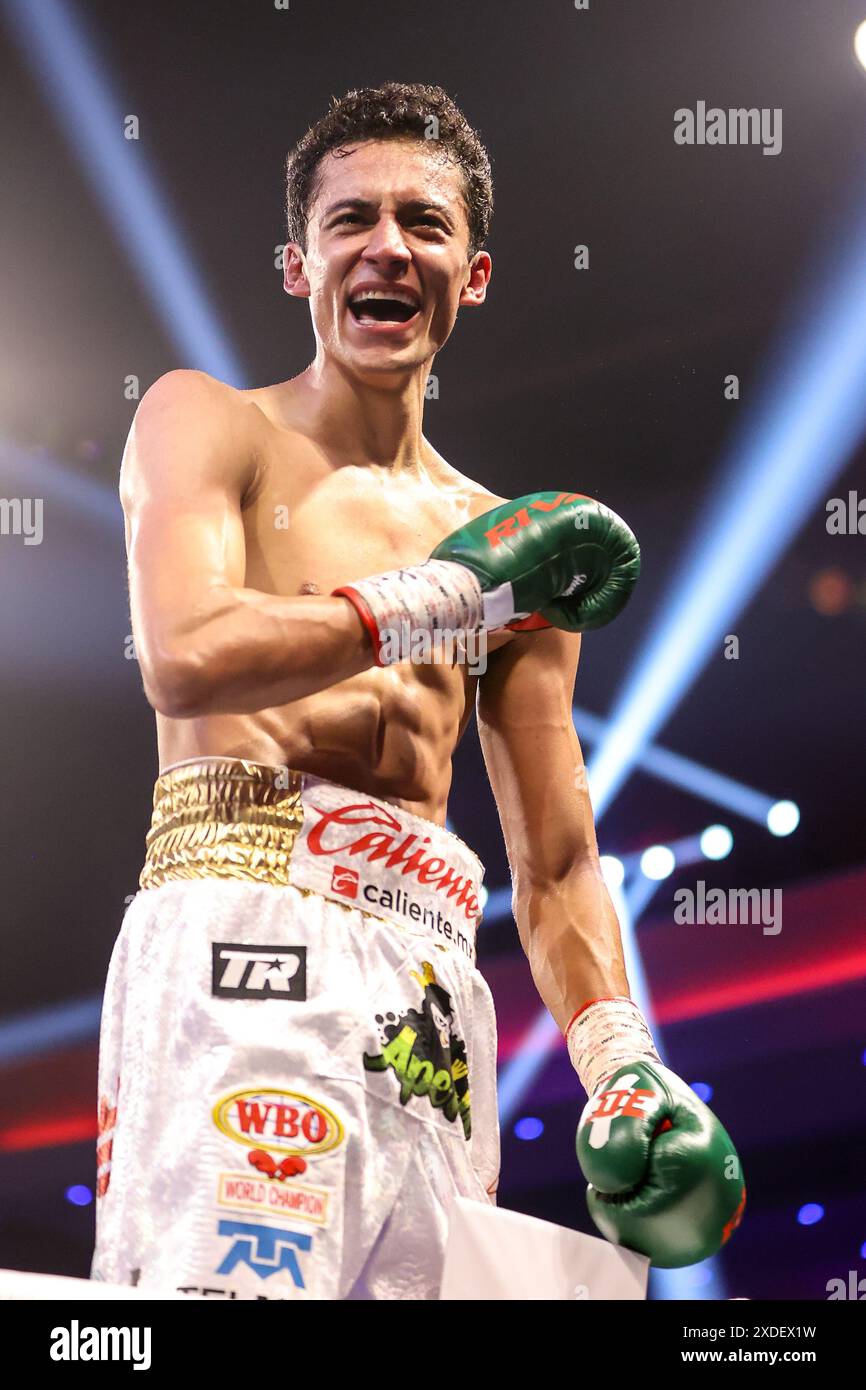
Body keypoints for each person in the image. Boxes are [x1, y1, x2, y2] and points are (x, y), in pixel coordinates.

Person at [91, 81, 744, 1301]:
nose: (385, 245)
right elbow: (183, 649)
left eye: (423, 223)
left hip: (431, 985)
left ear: (473, 274)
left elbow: (555, 864)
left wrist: (619, 1058)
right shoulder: (208, 424)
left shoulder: (512, 546)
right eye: (350, 221)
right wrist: (434, 599)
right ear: (299, 264)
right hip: (247, 928)